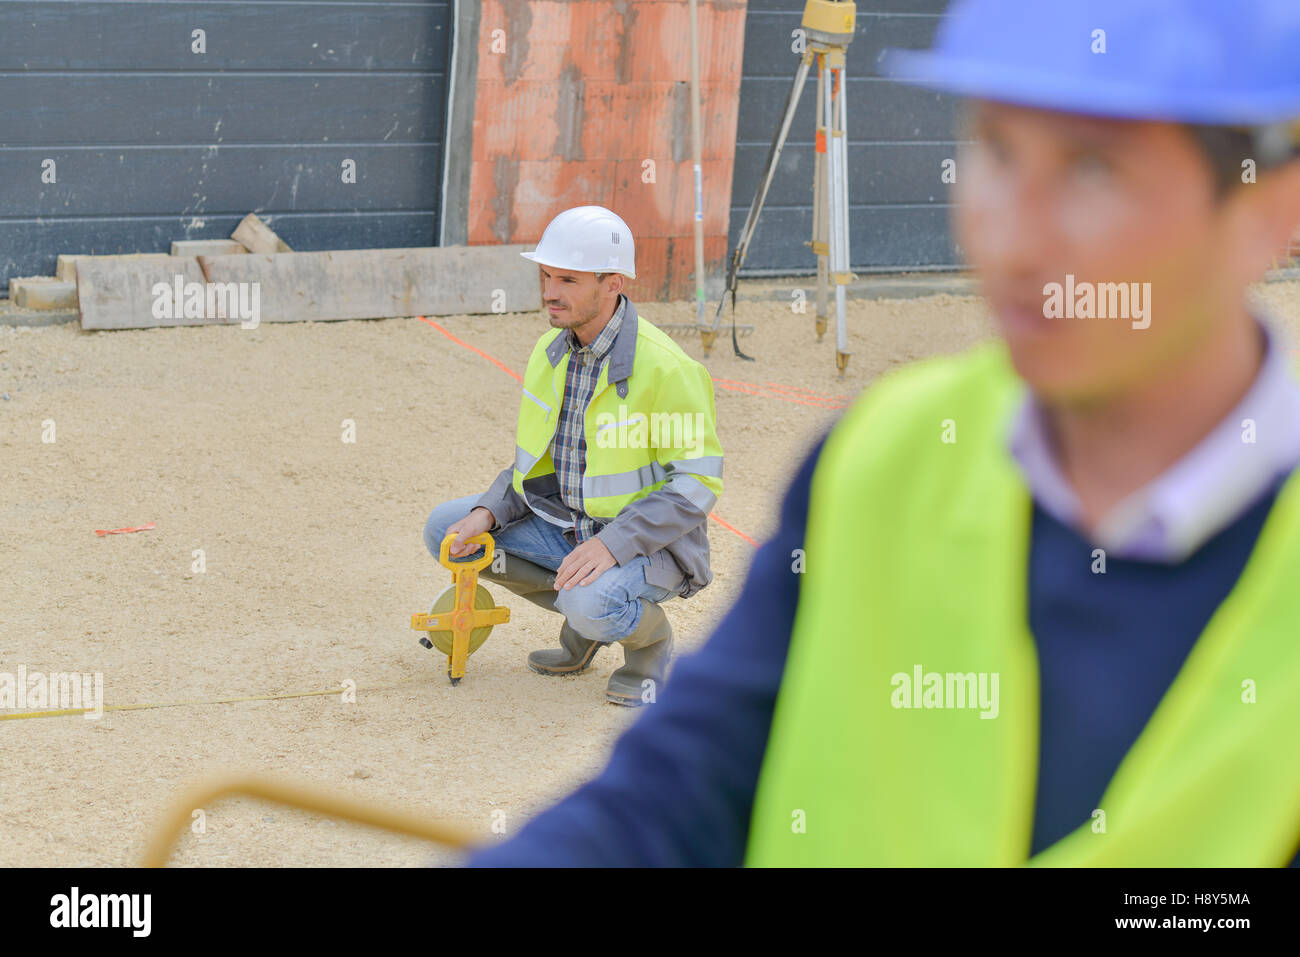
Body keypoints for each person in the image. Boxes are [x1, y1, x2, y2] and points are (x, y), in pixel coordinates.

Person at [465, 0, 1300, 863]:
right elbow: (691, 784)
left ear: (1269, 207)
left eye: (1094, 169)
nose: (1012, 238)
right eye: (998, 153)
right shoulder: (886, 455)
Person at [423, 206, 723, 706]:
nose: (549, 292)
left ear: (613, 284)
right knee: (445, 530)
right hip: (567, 527)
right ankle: (584, 624)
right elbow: (535, 464)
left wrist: (613, 546)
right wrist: (488, 510)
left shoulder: (669, 370)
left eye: (567, 279)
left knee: (594, 600)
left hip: (649, 546)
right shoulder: (550, 352)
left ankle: (648, 644)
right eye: (545, 276)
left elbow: (697, 484)